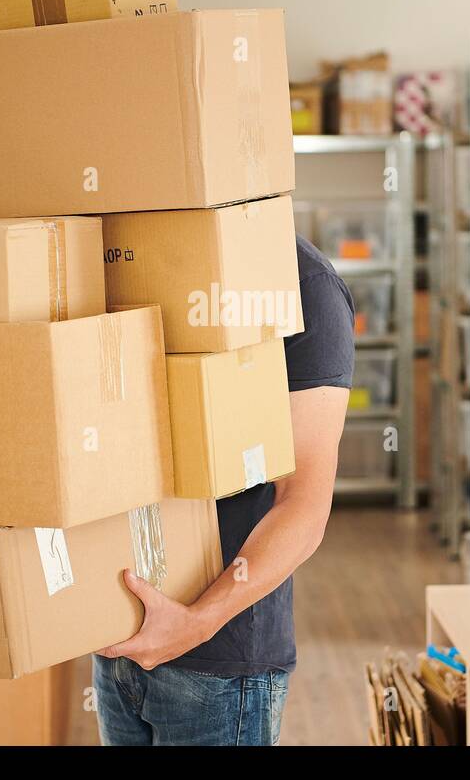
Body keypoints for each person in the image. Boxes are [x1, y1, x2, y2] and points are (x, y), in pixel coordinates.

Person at [93, 233, 355, 745]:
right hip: (118, 644)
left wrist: (196, 622)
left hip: (220, 666)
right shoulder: (129, 252)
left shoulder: (303, 285)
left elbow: (304, 505)